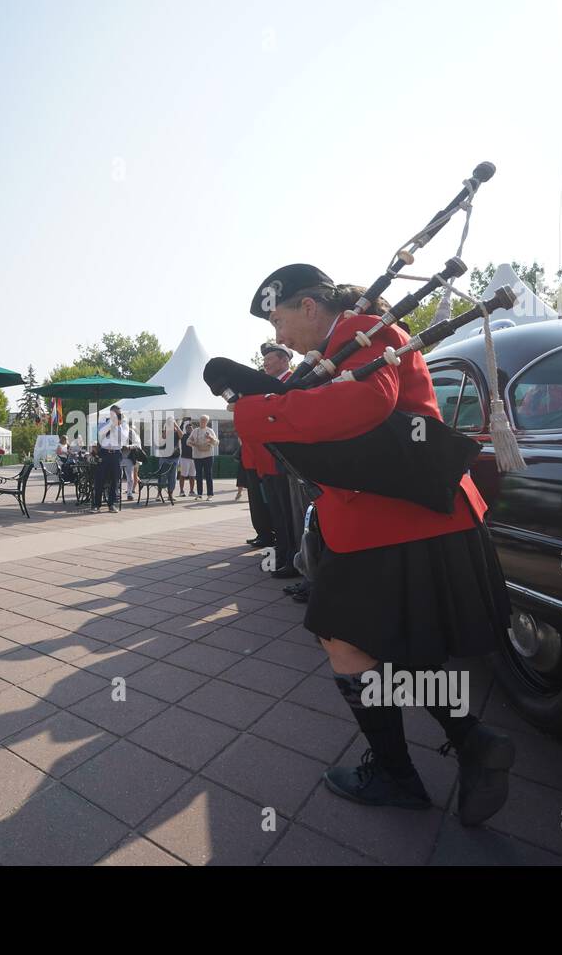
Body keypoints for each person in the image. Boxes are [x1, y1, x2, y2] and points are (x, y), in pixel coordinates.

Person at [236, 263, 515, 824]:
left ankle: (404, 769)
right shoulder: (341, 344)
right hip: (396, 520)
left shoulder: (371, 330)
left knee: (346, 642)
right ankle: (468, 742)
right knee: (386, 646)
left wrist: (255, 411)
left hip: (396, 521)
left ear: (309, 307)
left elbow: (366, 405)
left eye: (280, 320)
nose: (279, 337)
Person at [258, 342, 300, 579]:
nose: (265, 362)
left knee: (289, 511)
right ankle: (283, 555)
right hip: (270, 458)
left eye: (269, 359)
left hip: (287, 458)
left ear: (284, 360)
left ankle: (294, 559)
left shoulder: (292, 381)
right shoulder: (270, 384)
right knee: (278, 512)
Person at [92, 406, 126, 513]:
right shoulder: (103, 421)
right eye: (116, 414)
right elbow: (100, 432)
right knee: (99, 479)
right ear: (111, 413)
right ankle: (96, 505)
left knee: (115, 480)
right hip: (104, 453)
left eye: (119, 414)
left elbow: (123, 439)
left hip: (116, 454)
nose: (118, 415)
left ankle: (112, 504)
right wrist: (112, 423)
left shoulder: (123, 423)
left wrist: (117, 425)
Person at [189, 414, 219, 498]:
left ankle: (210, 494)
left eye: (204, 420)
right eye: (201, 420)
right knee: (198, 475)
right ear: (199, 421)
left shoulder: (210, 430)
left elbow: (216, 443)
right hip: (197, 456)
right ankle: (199, 494)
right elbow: (188, 441)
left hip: (208, 456)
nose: (202, 422)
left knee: (208, 475)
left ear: (207, 422)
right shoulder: (195, 431)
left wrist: (210, 438)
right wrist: (193, 443)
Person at [177, 417, 195, 496]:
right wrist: (183, 422)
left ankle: (191, 491)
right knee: (183, 475)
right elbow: (178, 429)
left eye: (190, 428)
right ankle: (181, 491)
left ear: (192, 429)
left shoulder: (195, 437)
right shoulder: (183, 436)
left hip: (194, 459)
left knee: (192, 476)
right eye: (187, 428)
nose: (189, 430)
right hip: (184, 458)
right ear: (186, 429)